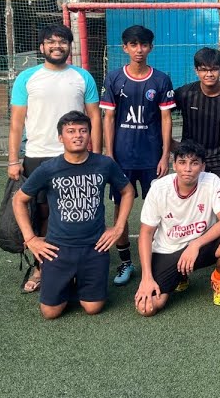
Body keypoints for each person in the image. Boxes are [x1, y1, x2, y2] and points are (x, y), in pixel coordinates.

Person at [7, 23, 102, 294]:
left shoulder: (83, 77)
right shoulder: (27, 78)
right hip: (38, 155)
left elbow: (95, 116)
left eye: (62, 41)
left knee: (72, 213)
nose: (57, 46)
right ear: (42, 47)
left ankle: (73, 266)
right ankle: (41, 268)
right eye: (51, 41)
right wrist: (14, 159)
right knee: (40, 214)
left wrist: (96, 153)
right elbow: (16, 122)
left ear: (70, 47)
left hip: (75, 158)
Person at [13, 111, 135, 319]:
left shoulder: (104, 164)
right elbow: (19, 200)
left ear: (89, 135)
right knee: (50, 312)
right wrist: (31, 238)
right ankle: (65, 280)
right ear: (61, 138)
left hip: (95, 247)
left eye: (83, 131)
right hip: (58, 248)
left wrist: (119, 227)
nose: (77, 135)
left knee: (93, 308)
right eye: (71, 131)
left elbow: (128, 191)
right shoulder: (49, 168)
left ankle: (79, 279)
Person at [100, 25, 175, 286]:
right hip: (122, 159)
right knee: (121, 210)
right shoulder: (113, 78)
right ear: (125, 48)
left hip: (152, 158)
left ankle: (159, 260)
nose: (138, 50)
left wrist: (166, 155)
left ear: (151, 47)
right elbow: (108, 118)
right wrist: (109, 155)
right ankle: (125, 262)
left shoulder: (161, 79)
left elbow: (166, 119)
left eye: (143, 45)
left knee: (161, 210)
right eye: (133, 45)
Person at [133, 141, 220, 316]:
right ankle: (180, 276)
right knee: (147, 308)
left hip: (200, 246)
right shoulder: (159, 189)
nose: (188, 169)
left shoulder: (212, 181)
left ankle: (218, 278)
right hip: (167, 250)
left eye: (194, 163)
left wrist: (195, 244)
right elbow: (146, 233)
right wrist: (146, 278)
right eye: (182, 162)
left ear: (203, 166)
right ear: (174, 165)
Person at [172, 48, 220, 276]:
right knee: (186, 205)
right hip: (192, 160)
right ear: (196, 71)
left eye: (213, 69)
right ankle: (183, 245)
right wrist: (173, 148)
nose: (208, 74)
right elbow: (160, 112)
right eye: (203, 70)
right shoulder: (184, 94)